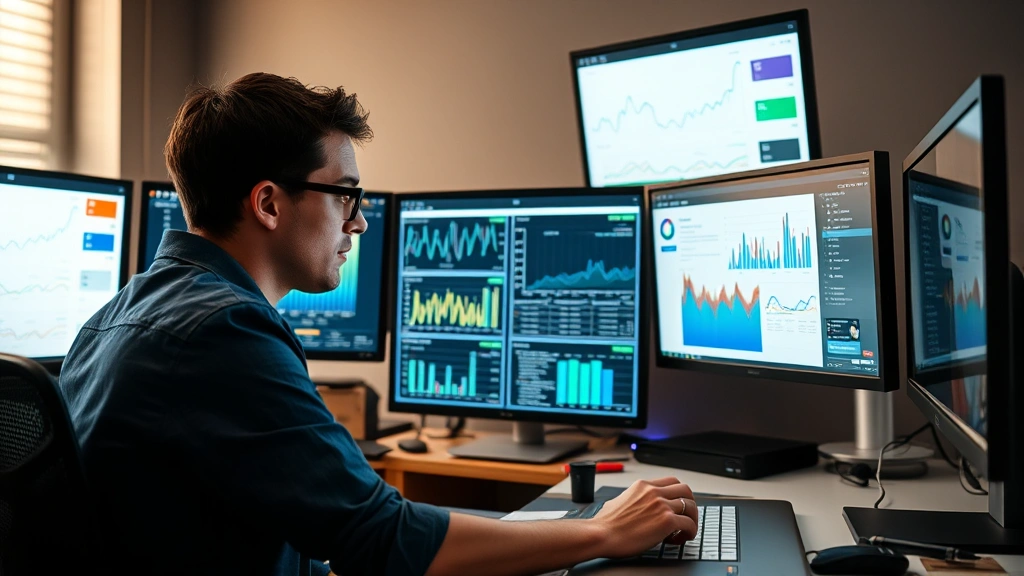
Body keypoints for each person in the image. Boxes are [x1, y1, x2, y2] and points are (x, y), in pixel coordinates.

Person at [59, 72, 698, 576]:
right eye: (346, 195)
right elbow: (382, 542)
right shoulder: (223, 334)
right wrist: (602, 532)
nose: (360, 222)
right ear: (269, 203)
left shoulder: (116, 316)